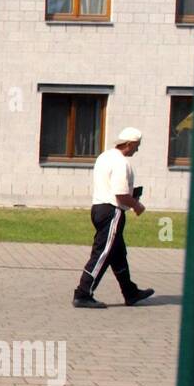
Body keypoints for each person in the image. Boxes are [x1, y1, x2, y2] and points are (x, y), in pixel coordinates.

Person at [73, 127, 155, 309]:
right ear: (129, 144)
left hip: (98, 208)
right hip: (112, 211)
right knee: (102, 253)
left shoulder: (105, 156)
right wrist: (137, 205)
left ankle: (130, 292)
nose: (137, 149)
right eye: (137, 146)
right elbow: (120, 194)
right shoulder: (121, 163)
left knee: (118, 254)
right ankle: (83, 293)